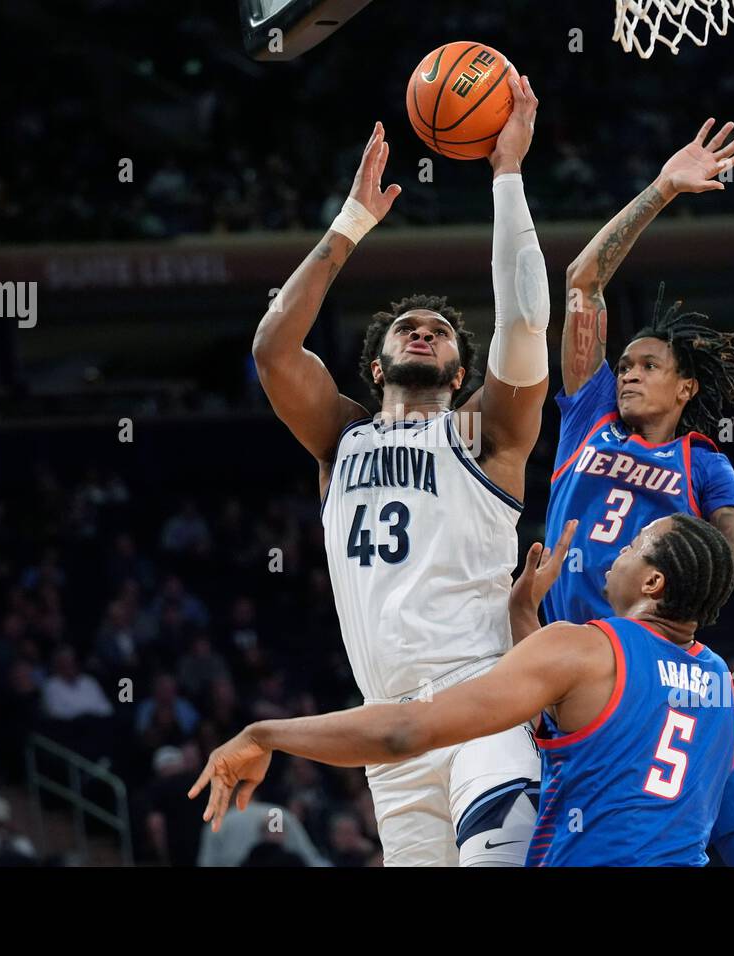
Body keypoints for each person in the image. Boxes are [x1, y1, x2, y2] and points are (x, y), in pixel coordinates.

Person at [248, 77, 550, 866]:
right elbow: (273, 351)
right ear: (375, 366)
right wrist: (350, 223)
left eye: (442, 331)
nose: (425, 332)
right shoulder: (338, 438)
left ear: (460, 371)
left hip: (483, 701)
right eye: (409, 327)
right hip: (388, 734)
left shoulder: (482, 433)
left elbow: (524, 318)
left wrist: (506, 171)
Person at [191, 514, 734, 867]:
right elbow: (595, 718)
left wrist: (266, 733)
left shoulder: (583, 647)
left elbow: (406, 730)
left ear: (654, 582)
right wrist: (522, 613)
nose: (623, 546)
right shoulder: (719, 682)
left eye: (639, 544)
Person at [548, 119, 734, 865]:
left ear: (686, 387)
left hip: (649, 661)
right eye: (625, 361)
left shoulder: (702, 462)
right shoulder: (588, 415)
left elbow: (732, 564)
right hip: (562, 665)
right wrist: (661, 189)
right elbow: (582, 281)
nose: (628, 371)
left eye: (648, 364)